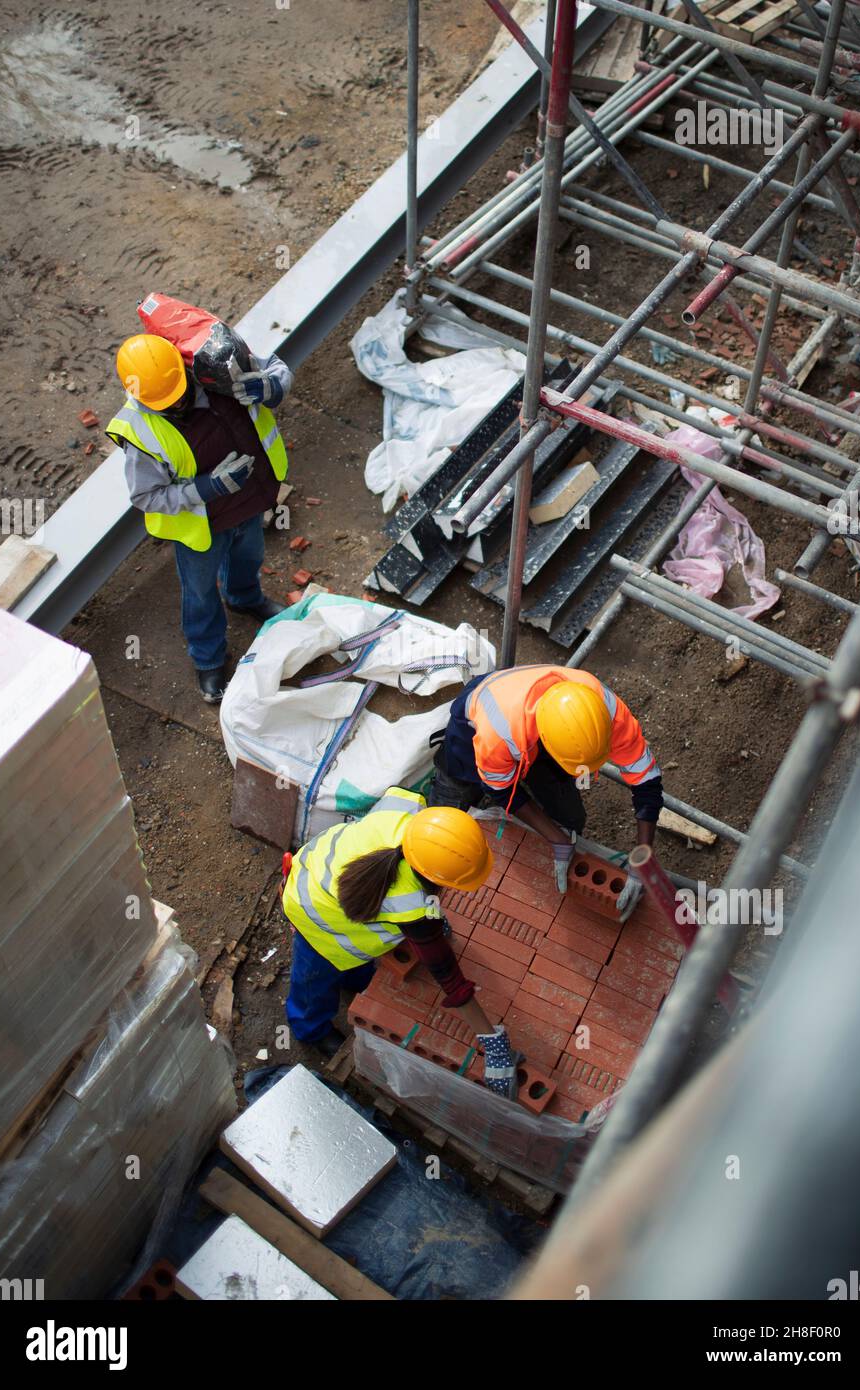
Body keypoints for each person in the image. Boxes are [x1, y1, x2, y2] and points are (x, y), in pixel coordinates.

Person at [282, 786, 522, 1097]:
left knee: (353, 965)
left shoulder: (412, 813)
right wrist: (492, 1042)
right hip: (313, 913)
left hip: (319, 866)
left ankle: (351, 978)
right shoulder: (408, 903)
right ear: (434, 878)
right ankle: (310, 1029)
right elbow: (450, 979)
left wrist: (430, 921)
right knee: (314, 978)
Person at [106, 332, 293, 703]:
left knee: (249, 557)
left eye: (179, 392)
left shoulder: (216, 363)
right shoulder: (139, 431)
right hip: (201, 526)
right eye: (164, 403)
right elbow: (146, 496)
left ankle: (244, 598)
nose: (176, 404)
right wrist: (208, 489)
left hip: (249, 499)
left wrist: (271, 386)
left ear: (184, 368)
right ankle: (207, 659)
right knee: (200, 593)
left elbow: (277, 366)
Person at [428, 665, 663, 920]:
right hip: (475, 728)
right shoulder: (498, 733)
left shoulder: (602, 711)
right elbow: (501, 790)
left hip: (542, 733)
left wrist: (643, 856)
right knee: (448, 810)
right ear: (547, 745)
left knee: (569, 816)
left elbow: (647, 780)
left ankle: (564, 832)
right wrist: (556, 839)